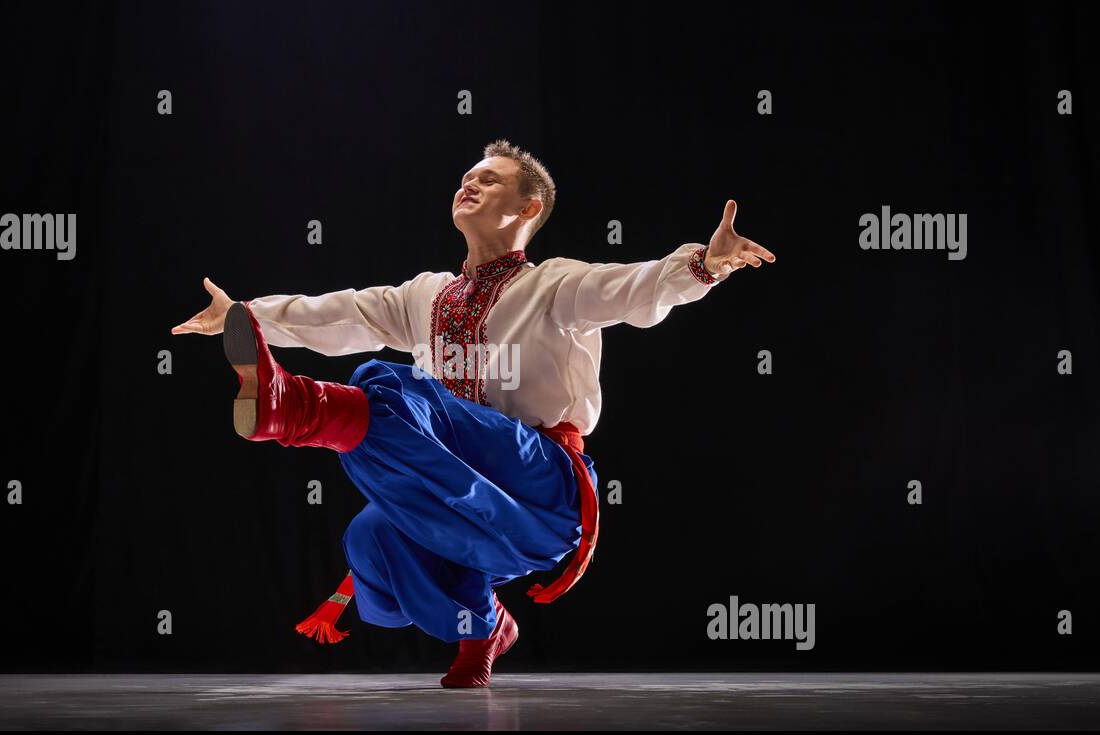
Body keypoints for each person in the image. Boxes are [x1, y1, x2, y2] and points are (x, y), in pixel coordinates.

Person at [172, 139, 776, 687]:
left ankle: (295, 406)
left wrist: (706, 263)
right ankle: (481, 625)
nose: (469, 185)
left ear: (529, 207)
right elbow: (336, 314)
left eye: (489, 180)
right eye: (466, 177)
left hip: (541, 489)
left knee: (390, 388)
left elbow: (635, 287)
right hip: (467, 502)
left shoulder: (556, 286)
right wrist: (244, 314)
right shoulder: (423, 296)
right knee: (372, 533)